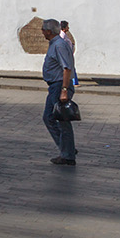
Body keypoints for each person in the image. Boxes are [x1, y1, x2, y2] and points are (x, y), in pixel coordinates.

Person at [40, 19, 77, 166]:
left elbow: (66, 68)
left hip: (59, 85)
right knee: (59, 119)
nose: (42, 32)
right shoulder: (55, 44)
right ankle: (68, 150)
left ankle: (67, 152)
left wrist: (64, 90)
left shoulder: (59, 45)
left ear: (49, 31)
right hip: (55, 86)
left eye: (43, 29)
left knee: (54, 118)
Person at [59, 20, 79, 87]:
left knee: (71, 68)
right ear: (64, 28)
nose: (68, 28)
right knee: (70, 68)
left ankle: (74, 82)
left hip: (69, 54)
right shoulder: (62, 35)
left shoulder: (64, 35)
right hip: (66, 55)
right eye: (67, 26)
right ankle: (73, 82)